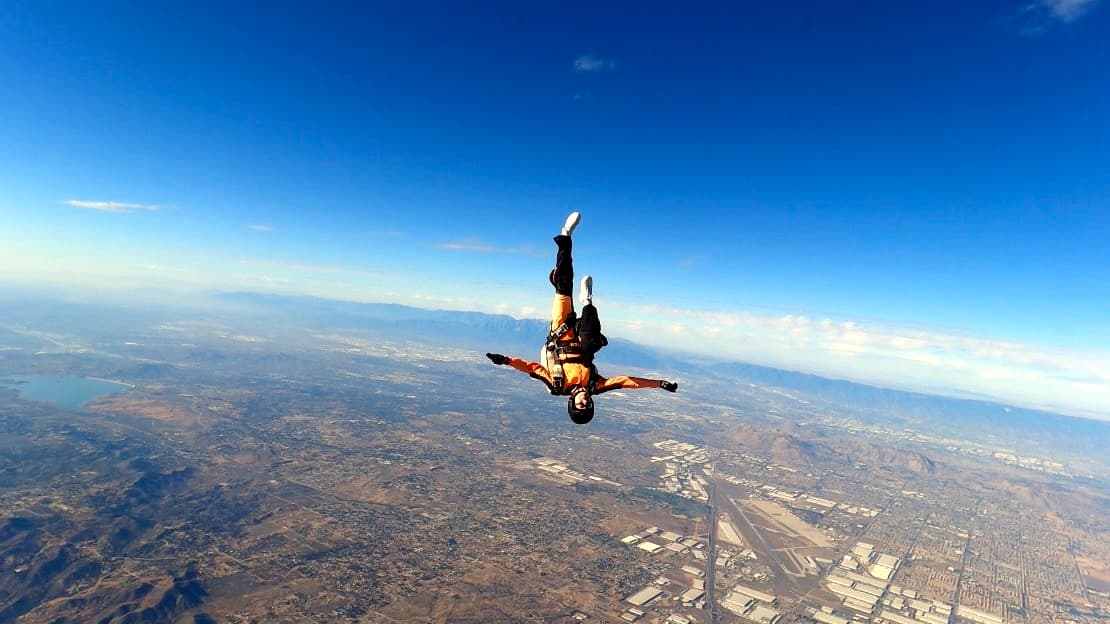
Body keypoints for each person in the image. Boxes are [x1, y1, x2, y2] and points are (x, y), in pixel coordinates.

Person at [486, 212, 678, 424]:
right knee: (592, 344)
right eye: (588, 405)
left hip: (561, 332)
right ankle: (587, 300)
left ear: (571, 403)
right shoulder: (595, 385)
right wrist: (659, 383)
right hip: (583, 337)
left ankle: (565, 235)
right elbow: (626, 382)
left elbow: (532, 368)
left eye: (580, 405)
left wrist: (505, 360)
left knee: (563, 284)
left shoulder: (556, 385)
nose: (585, 402)